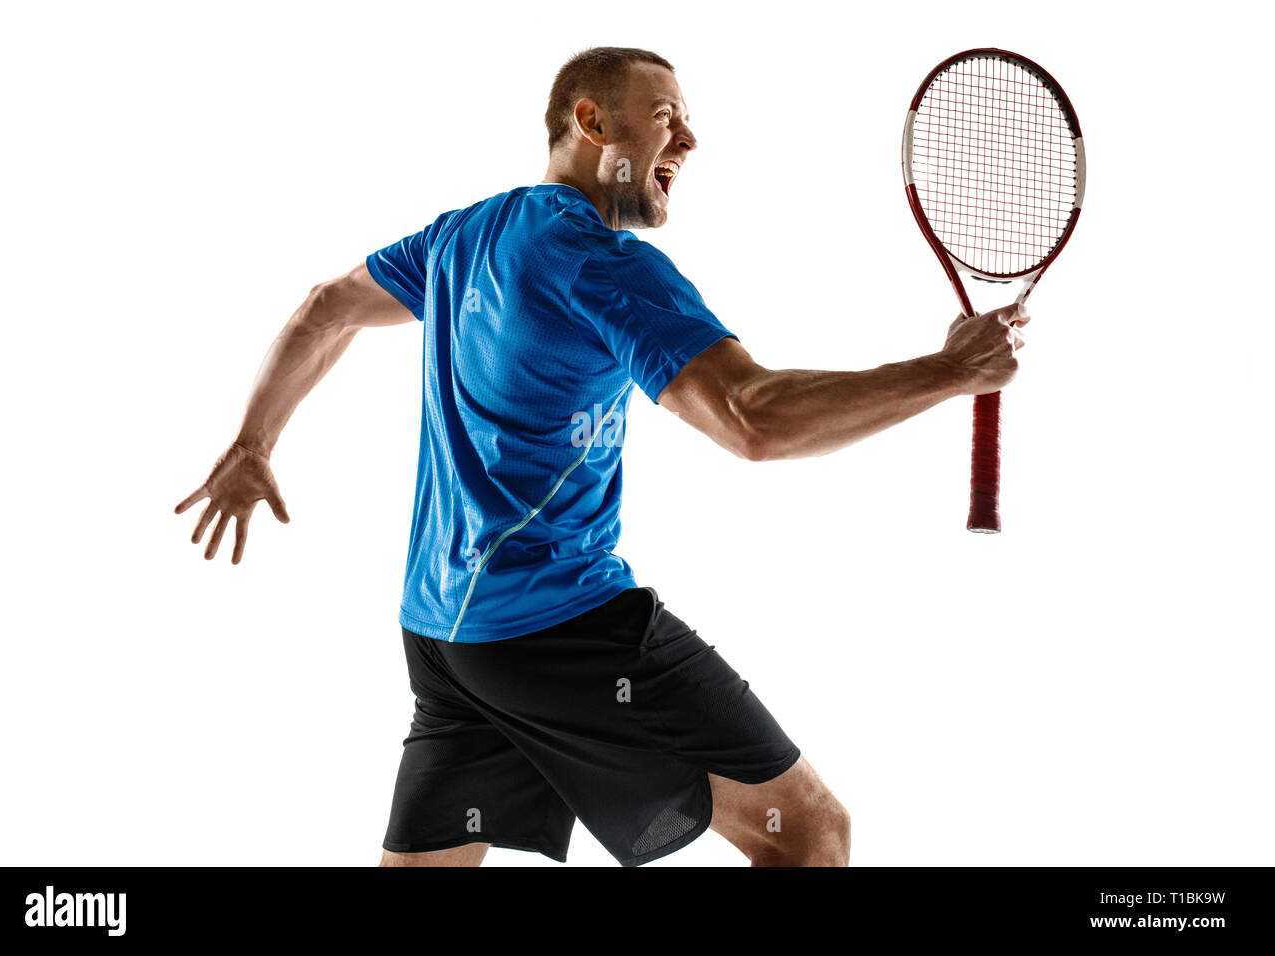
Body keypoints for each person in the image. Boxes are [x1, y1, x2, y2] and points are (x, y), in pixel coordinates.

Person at [174, 46, 1025, 867]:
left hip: (443, 637)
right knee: (806, 833)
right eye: (667, 118)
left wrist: (253, 442)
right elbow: (750, 419)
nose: (689, 140)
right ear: (591, 122)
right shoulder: (603, 267)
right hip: (559, 628)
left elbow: (325, 308)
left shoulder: (465, 235)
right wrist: (948, 372)